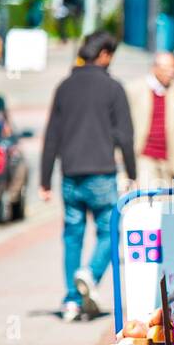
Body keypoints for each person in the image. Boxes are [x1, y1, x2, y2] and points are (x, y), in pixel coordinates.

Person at [40, 31, 135, 322]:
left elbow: (51, 137)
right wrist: (132, 173)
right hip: (102, 175)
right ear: (104, 54)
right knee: (110, 231)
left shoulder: (64, 87)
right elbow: (125, 136)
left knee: (72, 237)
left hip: (70, 175)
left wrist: (44, 181)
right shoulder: (113, 88)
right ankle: (90, 274)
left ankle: (71, 300)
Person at [126, 50, 174, 188]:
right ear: (155, 68)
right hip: (144, 157)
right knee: (147, 203)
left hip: (170, 160)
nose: (171, 72)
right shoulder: (135, 88)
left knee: (169, 206)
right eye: (167, 68)